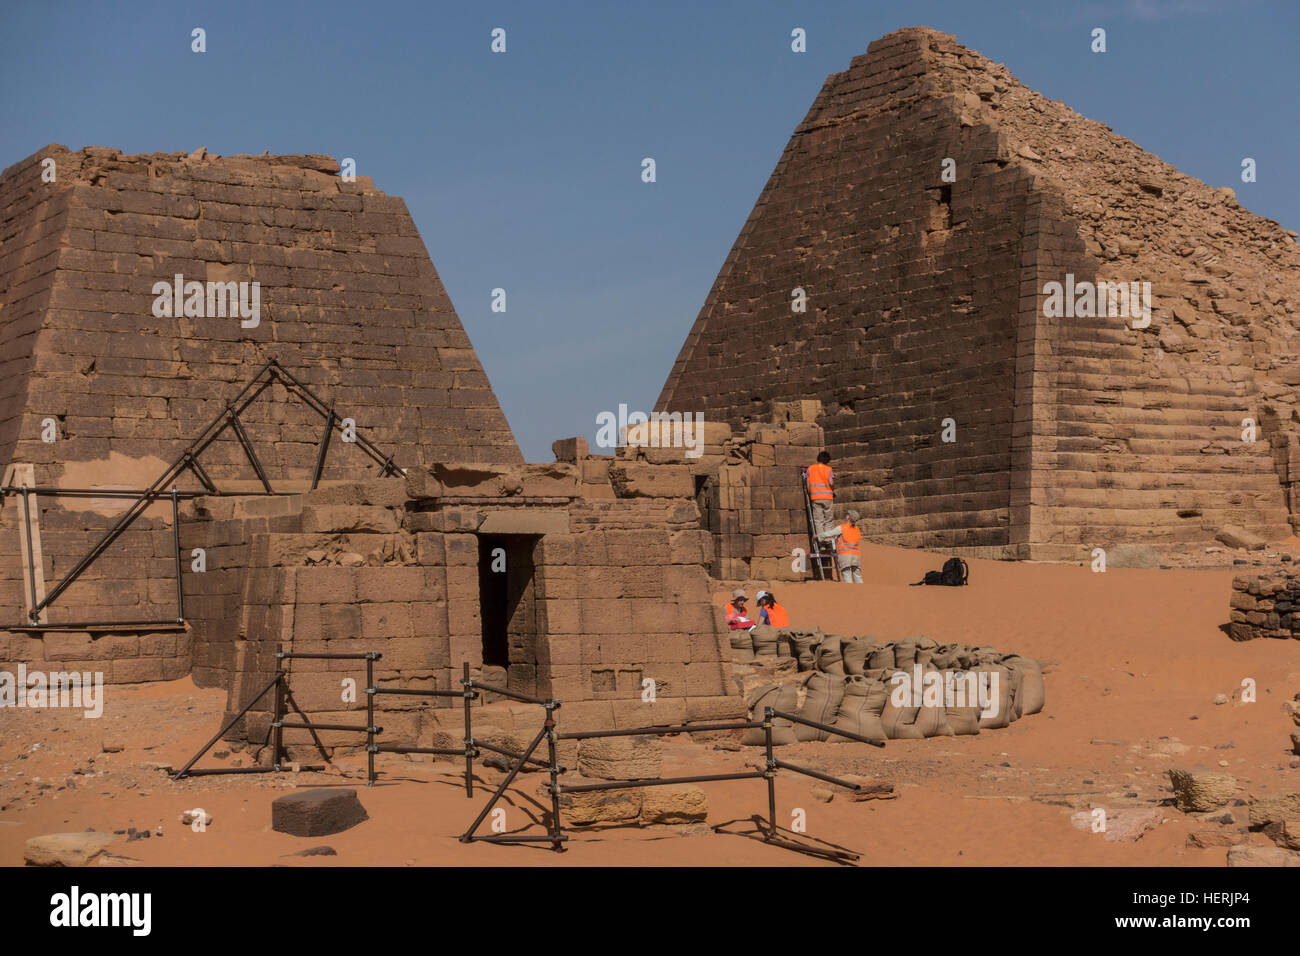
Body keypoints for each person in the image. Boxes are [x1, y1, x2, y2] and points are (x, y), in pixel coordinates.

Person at [806, 451, 835, 542]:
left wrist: (810, 493)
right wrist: (833, 489)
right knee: (828, 520)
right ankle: (829, 539)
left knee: (818, 521)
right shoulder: (828, 469)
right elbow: (831, 482)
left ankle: (821, 539)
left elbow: (808, 485)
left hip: (816, 497)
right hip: (827, 497)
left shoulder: (810, 469)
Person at [835, 510, 863, 584]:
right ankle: (863, 593)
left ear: (848, 518)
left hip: (845, 557)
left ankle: (852, 594)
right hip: (856, 557)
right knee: (858, 577)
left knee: (847, 577)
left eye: (847, 514)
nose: (846, 515)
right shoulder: (857, 529)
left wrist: (819, 536)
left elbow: (829, 533)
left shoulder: (842, 528)